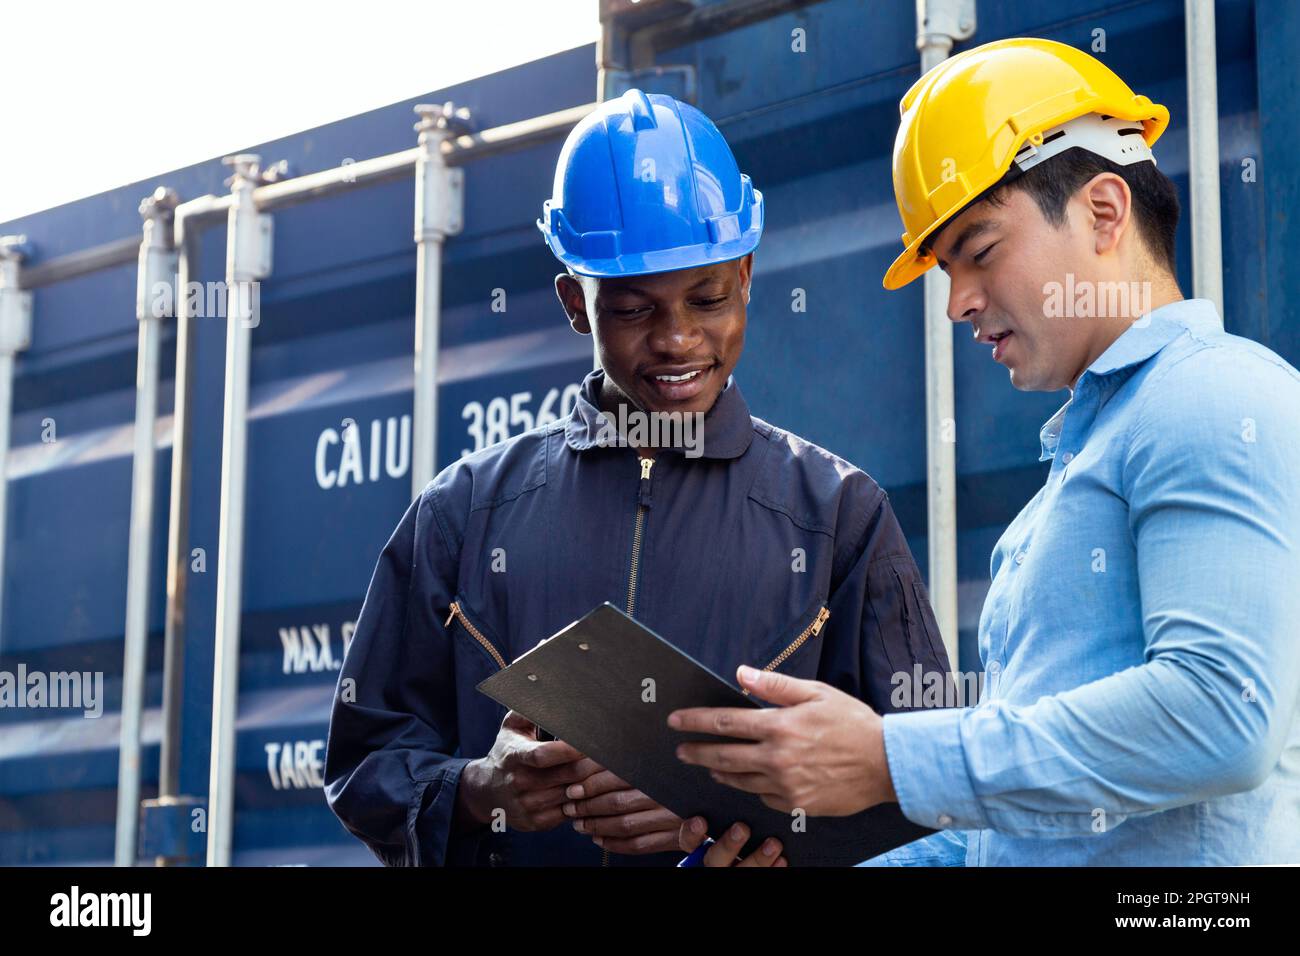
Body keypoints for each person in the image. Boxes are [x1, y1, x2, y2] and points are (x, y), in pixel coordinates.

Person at [669, 37, 1300, 866]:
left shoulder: (1214, 396)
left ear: (1104, 211)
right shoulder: (1071, 480)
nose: (958, 303)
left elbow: (1221, 716)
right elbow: (1011, 833)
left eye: (980, 250)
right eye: (945, 269)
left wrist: (887, 759)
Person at [323, 88, 954, 866]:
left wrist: (767, 834)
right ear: (575, 305)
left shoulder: (839, 520)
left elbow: (932, 790)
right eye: (632, 310)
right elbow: (363, 761)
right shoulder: (462, 514)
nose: (679, 339)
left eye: (709, 297)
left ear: (749, 277)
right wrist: (480, 791)